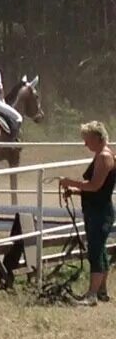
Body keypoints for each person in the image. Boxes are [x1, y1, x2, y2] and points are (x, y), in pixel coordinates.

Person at [61, 121, 116, 306]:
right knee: (98, 249)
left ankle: (92, 294)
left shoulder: (103, 157)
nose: (85, 144)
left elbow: (95, 185)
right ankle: (101, 291)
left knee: (95, 250)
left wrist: (71, 183)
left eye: (87, 139)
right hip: (98, 208)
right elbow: (97, 188)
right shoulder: (103, 156)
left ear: (96, 138)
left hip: (99, 211)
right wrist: (77, 191)